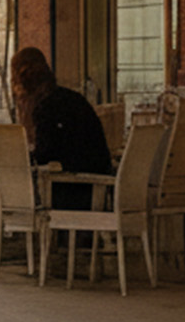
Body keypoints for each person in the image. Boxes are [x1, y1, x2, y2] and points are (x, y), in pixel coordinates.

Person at [10, 46, 111, 209]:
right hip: (98, 185)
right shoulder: (71, 98)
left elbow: (45, 154)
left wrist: (21, 157)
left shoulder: (45, 107)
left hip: (77, 190)